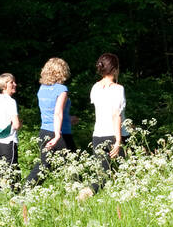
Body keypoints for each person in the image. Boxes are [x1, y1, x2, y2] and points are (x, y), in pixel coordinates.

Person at [25, 57, 78, 187]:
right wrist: (57, 135)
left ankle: (23, 192)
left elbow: (50, 113)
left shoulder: (42, 89)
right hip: (61, 134)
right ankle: (80, 197)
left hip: (44, 131)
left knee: (43, 167)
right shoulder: (62, 89)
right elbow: (57, 112)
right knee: (75, 165)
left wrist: (68, 119)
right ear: (61, 71)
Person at [84, 53, 126, 197]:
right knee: (124, 174)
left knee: (103, 174)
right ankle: (83, 195)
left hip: (97, 136)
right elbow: (116, 115)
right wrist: (118, 141)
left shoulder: (95, 87)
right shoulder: (118, 89)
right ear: (115, 69)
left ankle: (88, 194)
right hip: (113, 135)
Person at [0, 72, 21, 190]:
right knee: (8, 170)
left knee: (14, 170)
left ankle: (18, 194)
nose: (15, 84)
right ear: (4, 85)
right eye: (12, 82)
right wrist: (19, 123)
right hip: (8, 141)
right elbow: (16, 125)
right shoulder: (11, 101)